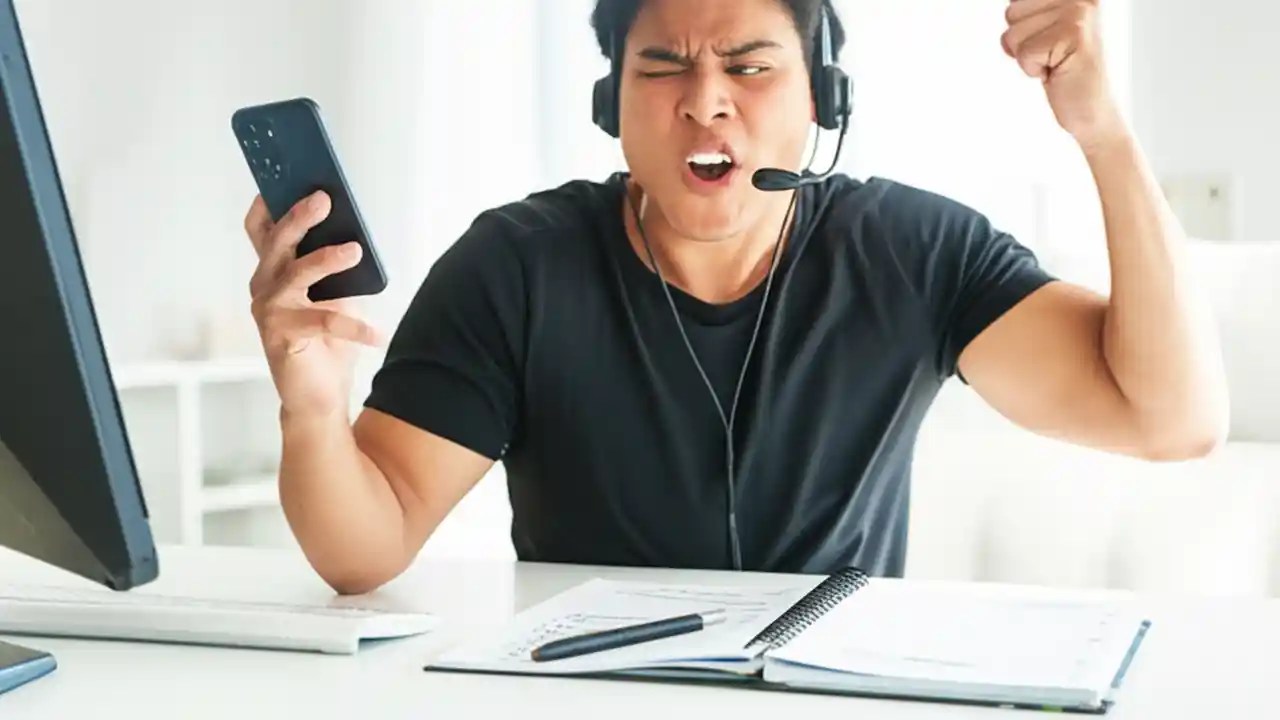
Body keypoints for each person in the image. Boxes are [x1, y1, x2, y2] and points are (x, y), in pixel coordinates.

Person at [241, 0, 1229, 595]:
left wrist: (1103, 133)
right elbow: (362, 550)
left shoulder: (910, 250)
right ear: (611, 105)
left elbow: (1168, 418)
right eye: (661, 66)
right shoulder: (516, 265)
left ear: (819, 101)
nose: (703, 100)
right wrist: (310, 405)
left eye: (749, 67)